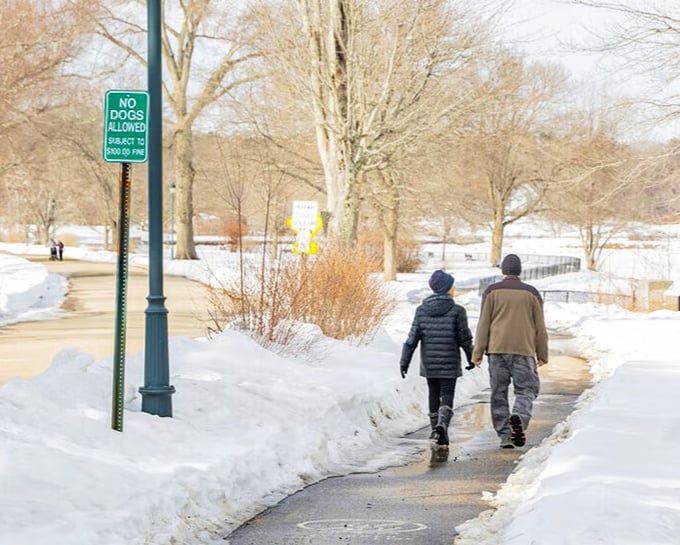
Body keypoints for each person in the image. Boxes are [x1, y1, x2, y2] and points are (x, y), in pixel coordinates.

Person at [472, 254, 549, 449]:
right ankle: (519, 417)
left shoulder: (491, 291)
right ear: (519, 271)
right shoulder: (531, 293)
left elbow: (484, 324)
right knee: (527, 389)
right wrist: (542, 353)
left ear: (503, 271)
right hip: (524, 349)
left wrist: (477, 353)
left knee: (499, 392)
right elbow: (540, 326)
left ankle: (505, 436)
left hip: (496, 350)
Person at [400, 270, 474, 446]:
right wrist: (472, 358)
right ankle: (443, 424)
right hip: (449, 361)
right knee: (447, 393)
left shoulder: (421, 310)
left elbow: (412, 339)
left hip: (429, 362)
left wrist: (404, 361)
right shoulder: (457, 311)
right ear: (448, 288)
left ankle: (435, 430)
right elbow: (465, 338)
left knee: (433, 393)